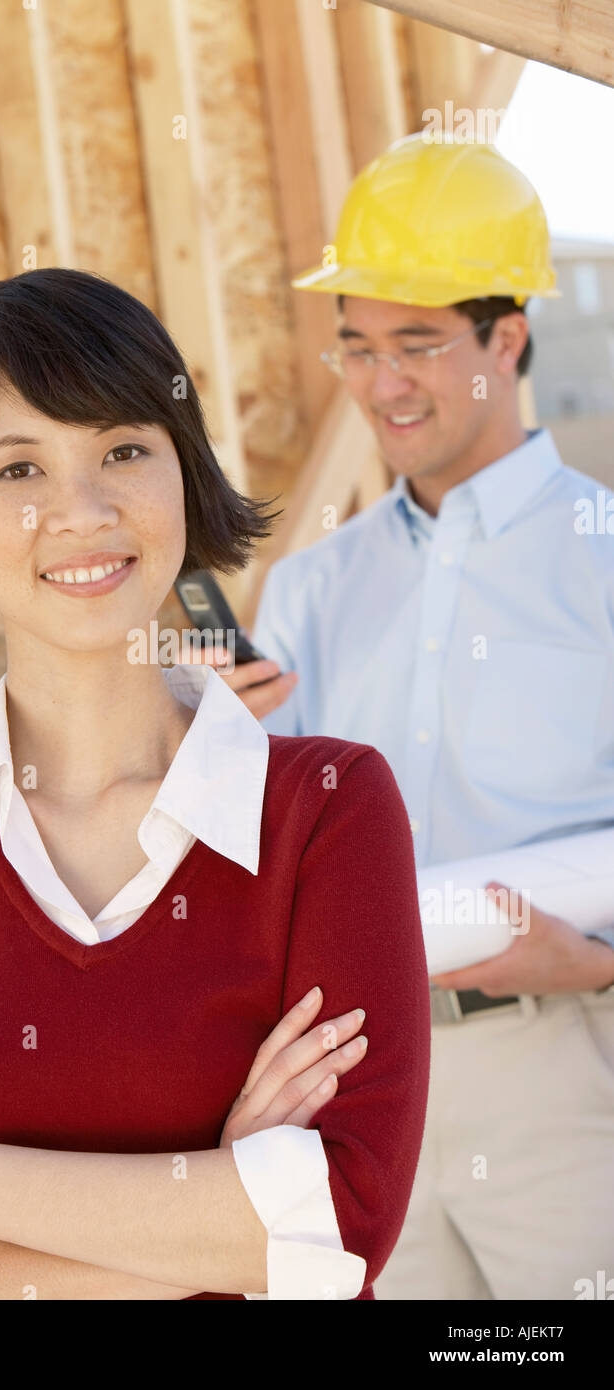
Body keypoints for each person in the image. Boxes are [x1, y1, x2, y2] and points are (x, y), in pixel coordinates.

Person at [0, 268, 429, 1301]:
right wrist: (220, 1228)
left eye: (121, 449)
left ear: (182, 475)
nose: (81, 509)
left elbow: (339, 1226)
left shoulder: (328, 808)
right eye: (17, 469)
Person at [213, 134, 614, 1300]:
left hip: (560, 1065)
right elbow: (264, 870)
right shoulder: (307, 593)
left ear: (508, 338)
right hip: (357, 1091)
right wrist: (207, 753)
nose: (380, 381)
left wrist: (588, 964)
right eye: (354, 344)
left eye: (418, 345)